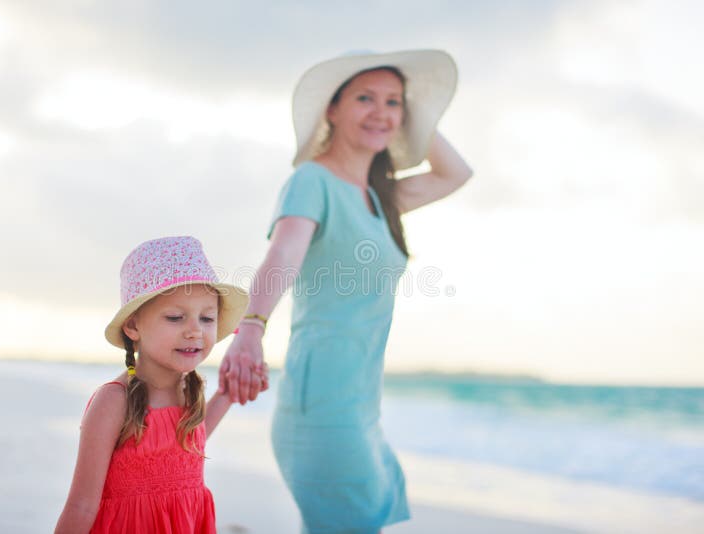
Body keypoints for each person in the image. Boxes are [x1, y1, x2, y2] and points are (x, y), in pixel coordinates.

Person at [219, 50, 473, 532]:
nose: (381, 111)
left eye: (393, 102)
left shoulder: (381, 196)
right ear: (331, 110)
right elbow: (283, 255)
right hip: (322, 406)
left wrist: (410, 113)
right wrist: (250, 329)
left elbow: (455, 174)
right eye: (365, 98)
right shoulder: (312, 181)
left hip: (361, 406)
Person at [55, 236, 268, 534]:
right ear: (133, 326)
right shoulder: (114, 401)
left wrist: (229, 393)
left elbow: (191, 439)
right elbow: (81, 505)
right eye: (175, 317)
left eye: (207, 318)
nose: (195, 331)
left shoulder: (189, 389)